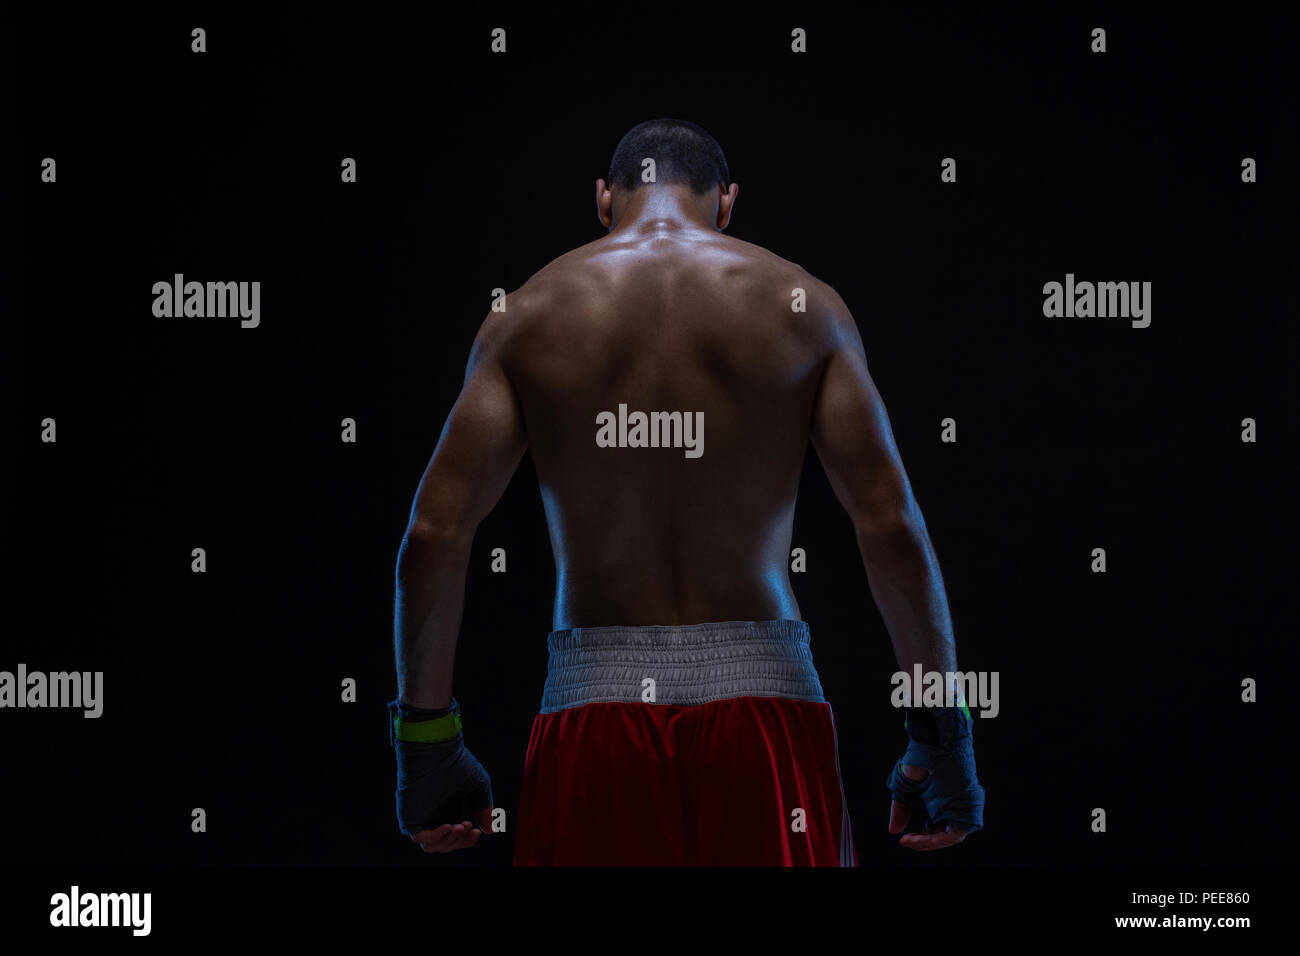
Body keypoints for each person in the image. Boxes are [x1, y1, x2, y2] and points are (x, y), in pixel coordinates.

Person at [389, 118, 985, 865]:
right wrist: (942, 732)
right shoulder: (805, 307)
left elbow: (432, 535)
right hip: (766, 706)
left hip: (593, 710)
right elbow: (891, 525)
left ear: (605, 199)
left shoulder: (526, 317)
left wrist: (426, 744)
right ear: (727, 203)